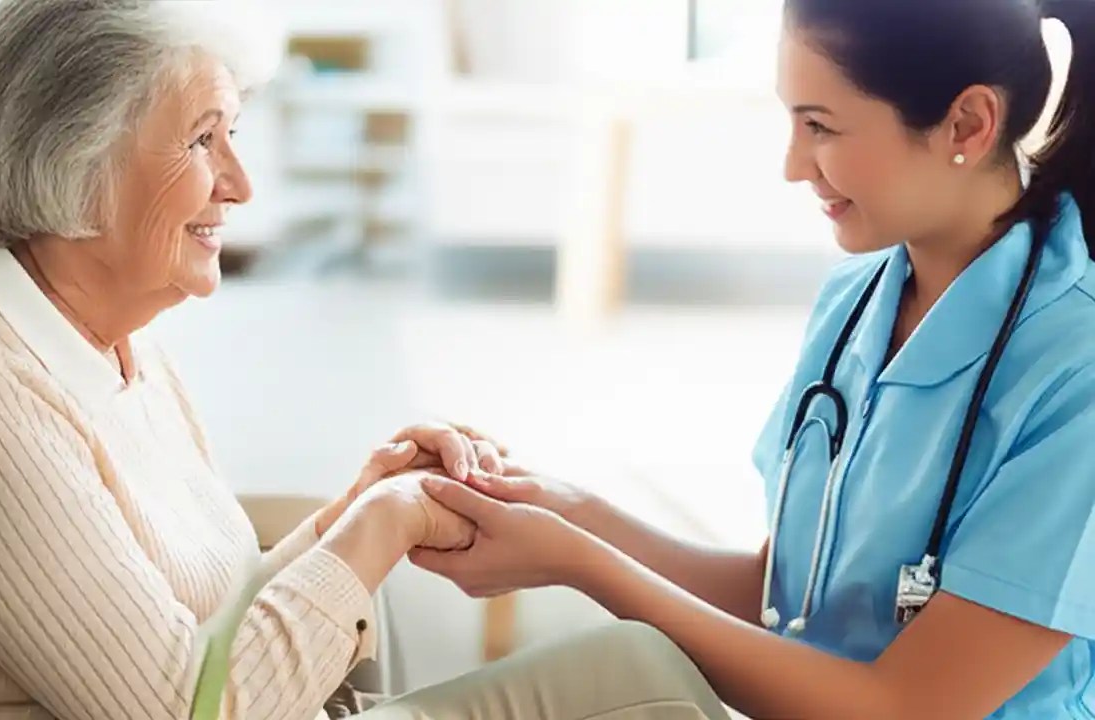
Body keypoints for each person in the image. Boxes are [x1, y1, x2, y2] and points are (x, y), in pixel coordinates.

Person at [0, 1, 725, 718]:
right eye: (203, 138)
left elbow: (205, 626)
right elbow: (186, 709)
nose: (241, 184)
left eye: (234, 134)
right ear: (73, 156)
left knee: (637, 669)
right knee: (639, 678)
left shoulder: (114, 350)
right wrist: (388, 525)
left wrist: (357, 507)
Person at [413, 0, 1095, 718]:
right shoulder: (857, 299)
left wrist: (581, 563)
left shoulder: (1074, 367)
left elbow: (900, 707)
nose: (793, 165)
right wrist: (569, 512)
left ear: (967, 124)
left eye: (821, 127)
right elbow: (785, 599)